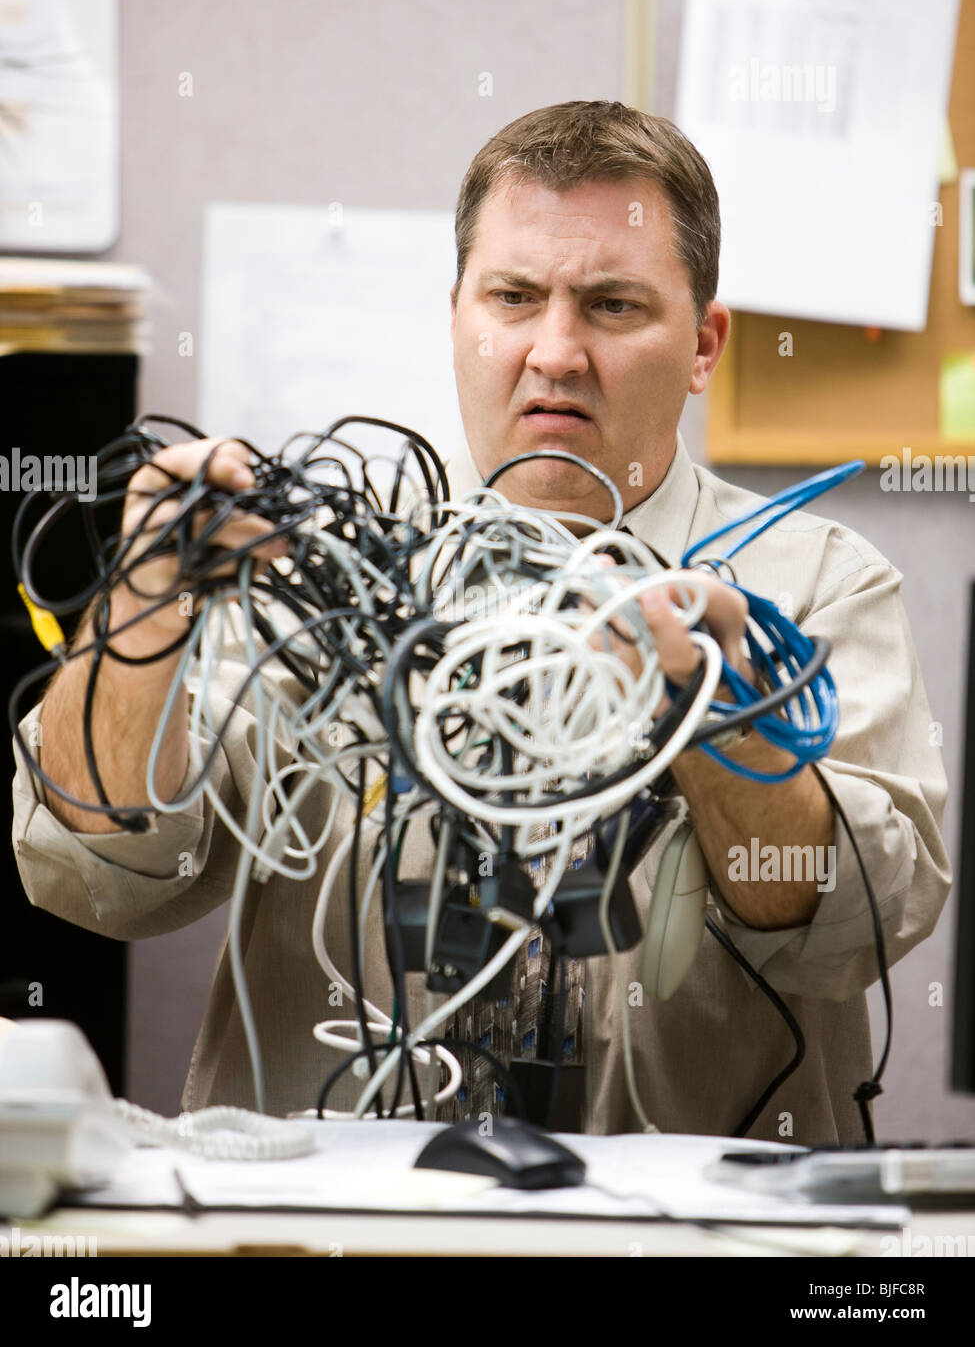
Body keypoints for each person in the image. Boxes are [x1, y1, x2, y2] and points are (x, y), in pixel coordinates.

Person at [12, 101, 950, 1142]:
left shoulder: (816, 588)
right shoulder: (307, 565)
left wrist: (716, 716)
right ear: (458, 313)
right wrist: (141, 607)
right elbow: (95, 875)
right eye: (513, 296)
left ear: (703, 344)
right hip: (335, 1234)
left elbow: (857, 926)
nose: (556, 351)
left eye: (612, 306)